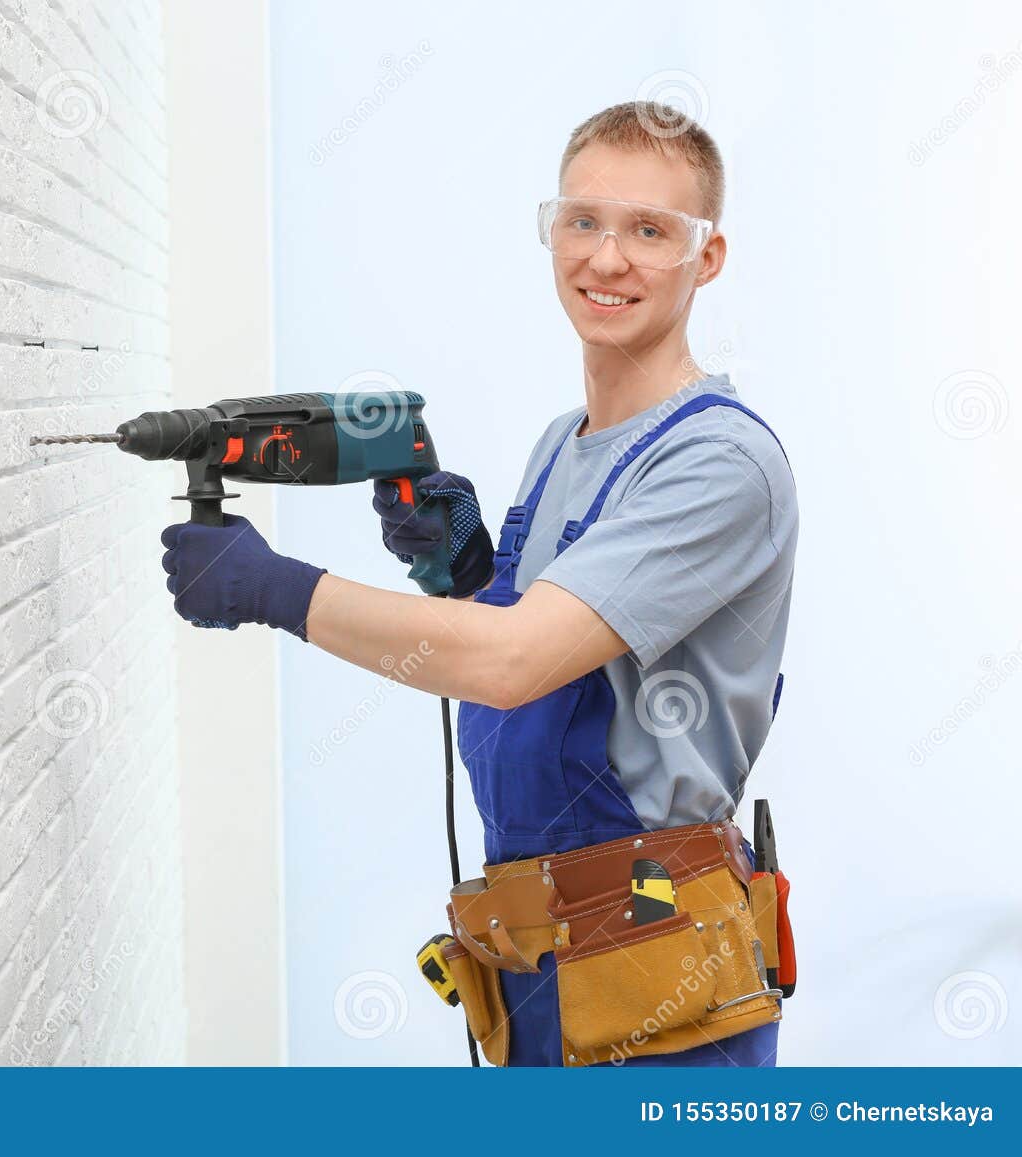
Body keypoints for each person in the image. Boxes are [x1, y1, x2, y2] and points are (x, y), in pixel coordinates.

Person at [159, 101, 798, 1067]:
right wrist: (464, 576)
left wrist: (275, 588)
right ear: (551, 230)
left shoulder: (721, 461)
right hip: (537, 958)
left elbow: (514, 665)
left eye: (650, 231)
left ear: (706, 258)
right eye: (583, 220)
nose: (607, 258)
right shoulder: (561, 444)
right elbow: (529, 641)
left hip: (662, 974)